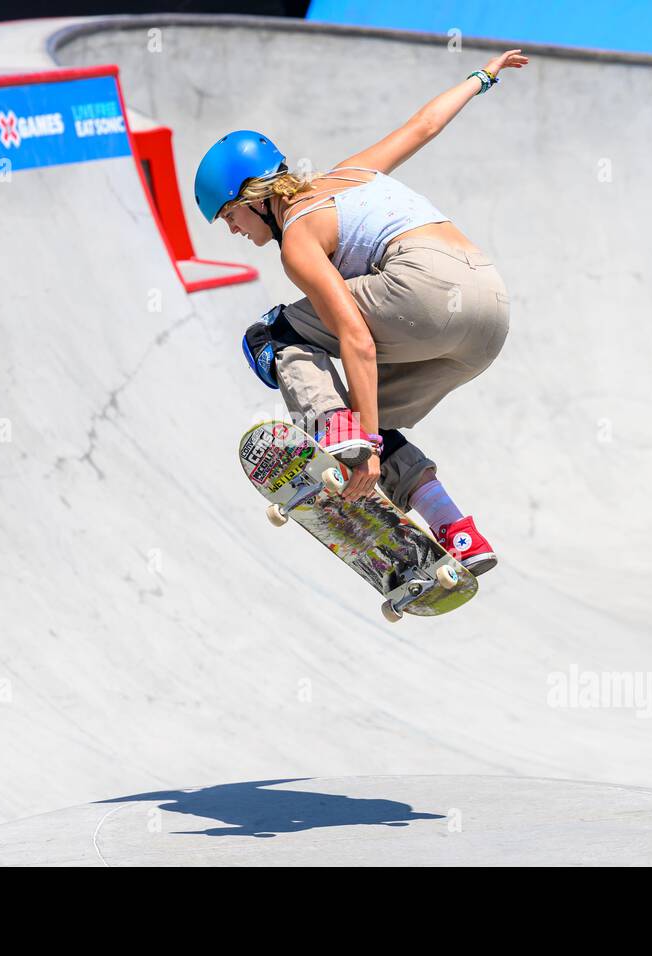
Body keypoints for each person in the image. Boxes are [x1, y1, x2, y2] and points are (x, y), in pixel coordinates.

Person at [194, 50, 527, 575]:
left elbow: (356, 336)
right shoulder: (352, 173)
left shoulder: (298, 237)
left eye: (229, 216)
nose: (234, 231)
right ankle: (457, 531)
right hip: (489, 318)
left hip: (424, 290)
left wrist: (363, 445)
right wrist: (482, 77)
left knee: (274, 335)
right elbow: (424, 125)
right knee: (362, 403)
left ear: (254, 197)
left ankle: (339, 431)